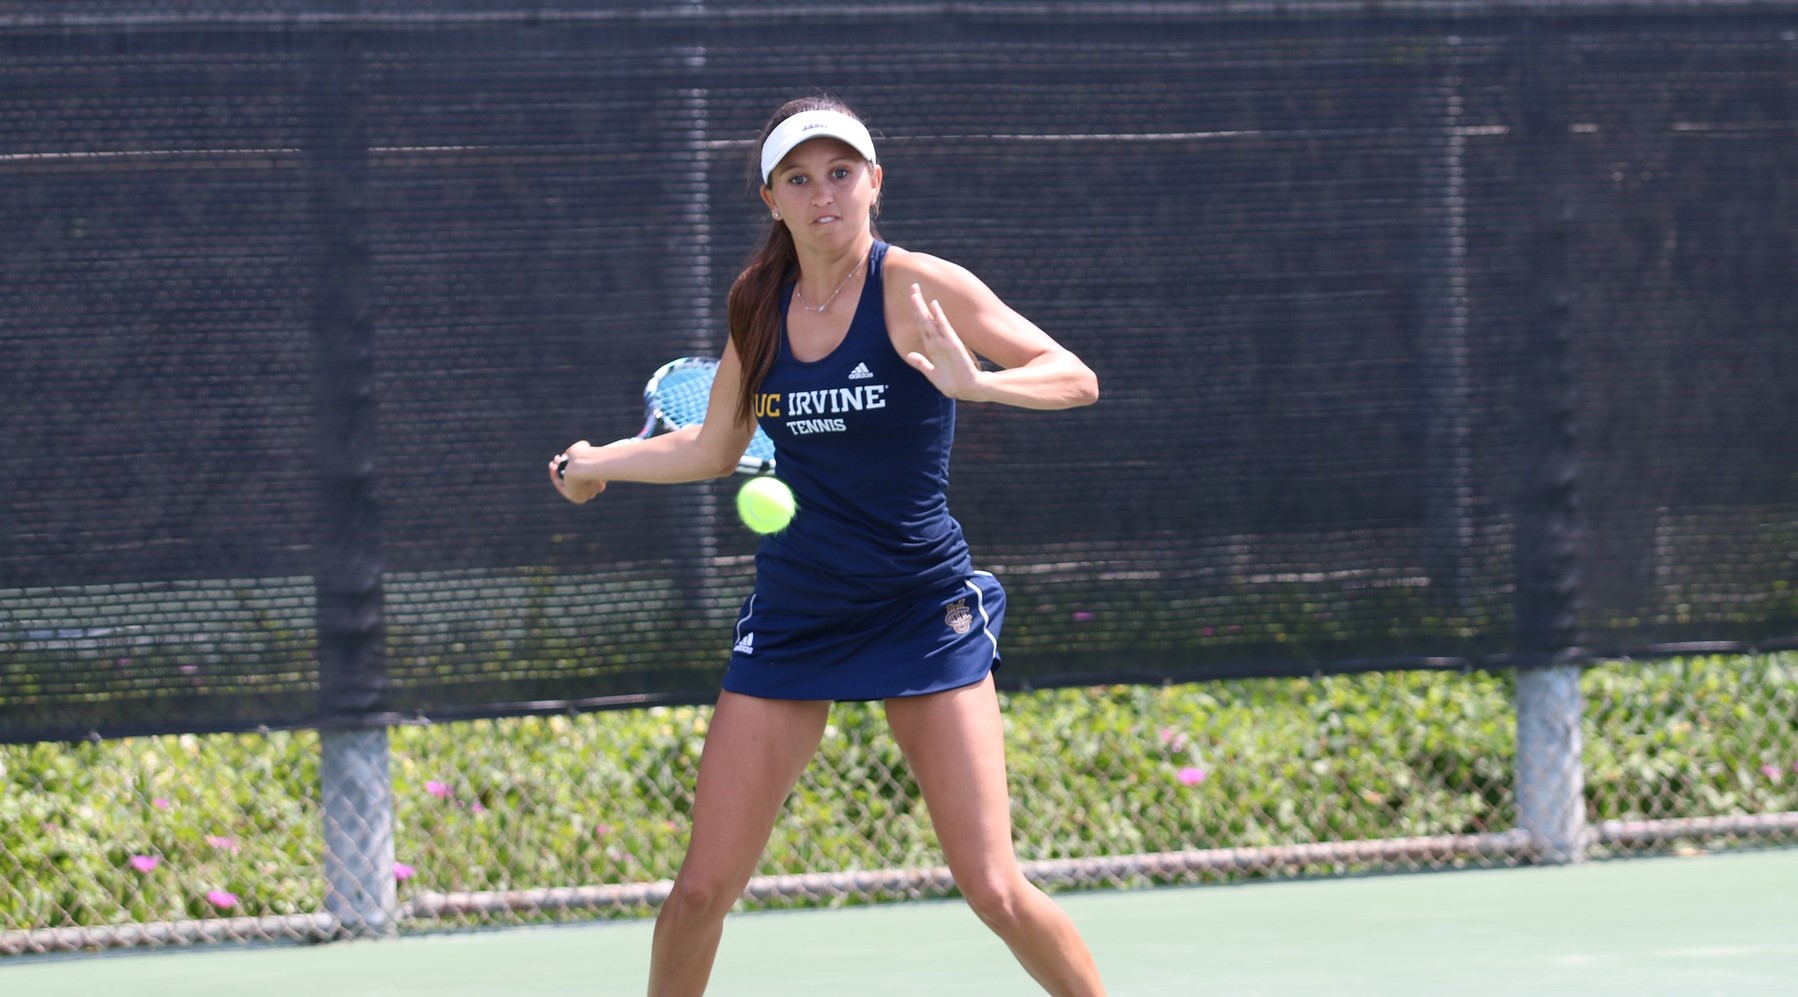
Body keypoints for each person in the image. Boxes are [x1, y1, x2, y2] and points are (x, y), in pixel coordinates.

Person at [550, 94, 1105, 997]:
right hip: (798, 612)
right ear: (771, 199)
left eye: (841, 173)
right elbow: (713, 446)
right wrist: (596, 462)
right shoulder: (756, 305)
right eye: (800, 179)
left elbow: (1073, 376)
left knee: (996, 889)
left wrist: (980, 385)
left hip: (922, 610)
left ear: (874, 183)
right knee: (699, 891)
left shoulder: (918, 286)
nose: (824, 195)